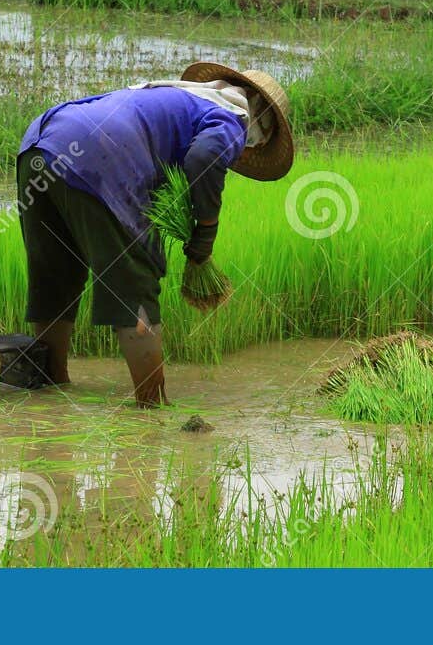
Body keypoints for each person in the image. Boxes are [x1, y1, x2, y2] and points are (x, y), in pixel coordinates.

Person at [15, 62, 293, 407]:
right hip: (100, 157)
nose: (249, 147)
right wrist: (204, 237)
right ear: (261, 122)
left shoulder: (172, 94)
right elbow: (205, 158)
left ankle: (50, 393)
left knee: (55, 274)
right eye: (257, 142)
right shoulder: (231, 117)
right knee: (136, 277)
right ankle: (152, 406)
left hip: (40, 143)